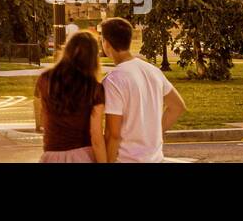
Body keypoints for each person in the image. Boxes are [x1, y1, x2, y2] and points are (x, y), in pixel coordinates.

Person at [99, 17, 187, 163]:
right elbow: (177, 107)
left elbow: (112, 134)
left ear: (106, 44)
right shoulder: (152, 70)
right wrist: (154, 133)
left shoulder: (113, 80)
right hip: (155, 158)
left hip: (126, 159)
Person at [34, 30, 106, 162]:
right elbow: (96, 136)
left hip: (51, 154)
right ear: (93, 58)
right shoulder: (94, 88)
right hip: (82, 155)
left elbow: (41, 116)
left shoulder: (44, 79)